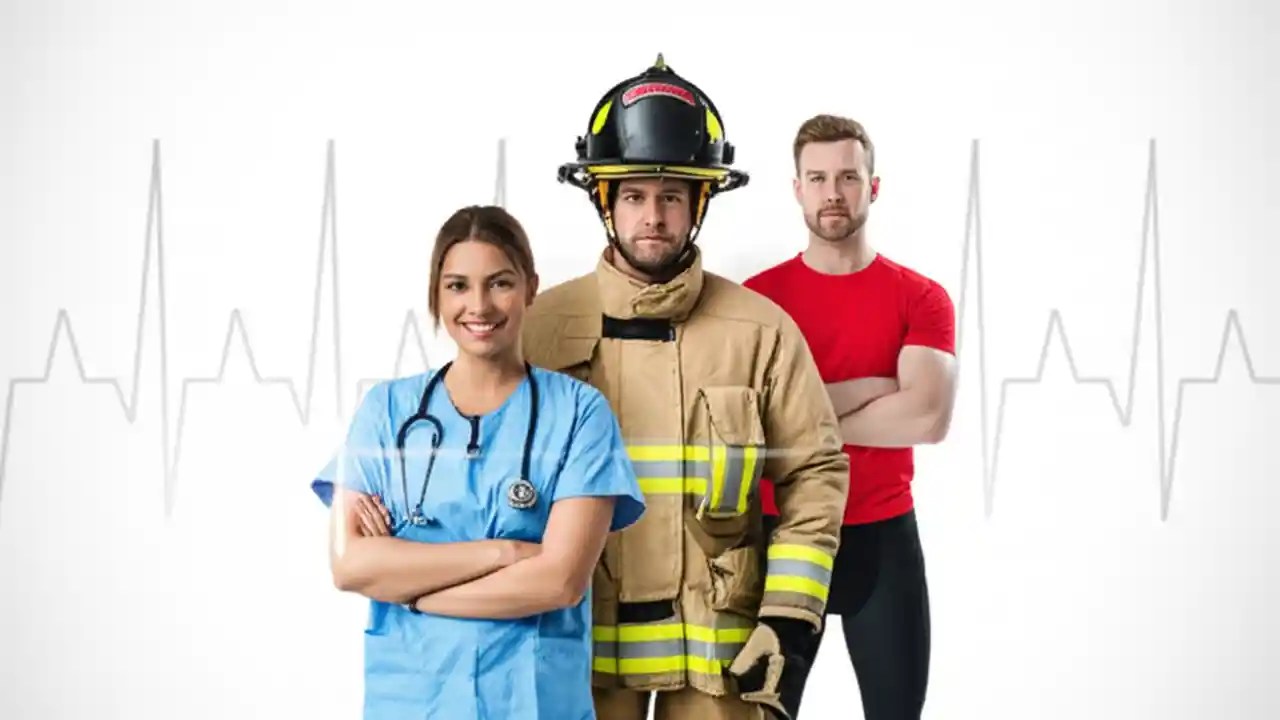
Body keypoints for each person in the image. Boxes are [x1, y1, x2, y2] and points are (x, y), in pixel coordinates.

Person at [520, 55, 851, 720]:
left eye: (672, 197)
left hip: (717, 656)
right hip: (575, 647)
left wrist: (787, 619)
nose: (653, 217)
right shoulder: (538, 328)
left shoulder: (760, 331)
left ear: (699, 204)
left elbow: (813, 473)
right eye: (635, 195)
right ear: (604, 201)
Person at [309, 204, 647, 720]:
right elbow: (350, 564)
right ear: (436, 294)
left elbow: (558, 581)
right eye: (458, 286)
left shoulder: (580, 413)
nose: (480, 305)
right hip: (413, 700)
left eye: (500, 283)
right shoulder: (387, 412)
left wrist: (412, 592)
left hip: (533, 701)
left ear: (531, 288)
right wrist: (504, 552)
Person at [742, 114, 959, 720]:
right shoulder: (758, 302)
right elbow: (754, 424)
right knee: (760, 713)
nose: (832, 193)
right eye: (817, 178)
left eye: (847, 176)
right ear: (797, 189)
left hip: (881, 533)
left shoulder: (920, 296)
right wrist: (877, 387)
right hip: (779, 533)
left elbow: (927, 416)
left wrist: (804, 420)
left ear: (874, 186)